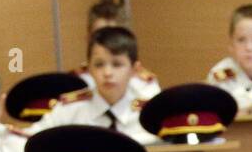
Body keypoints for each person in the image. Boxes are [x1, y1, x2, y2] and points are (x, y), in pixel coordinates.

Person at [29, 27, 159, 145]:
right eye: (99, 64)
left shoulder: (149, 114)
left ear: (134, 70)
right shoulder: (68, 111)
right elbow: (33, 139)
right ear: (88, 68)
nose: (107, 73)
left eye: (117, 64)